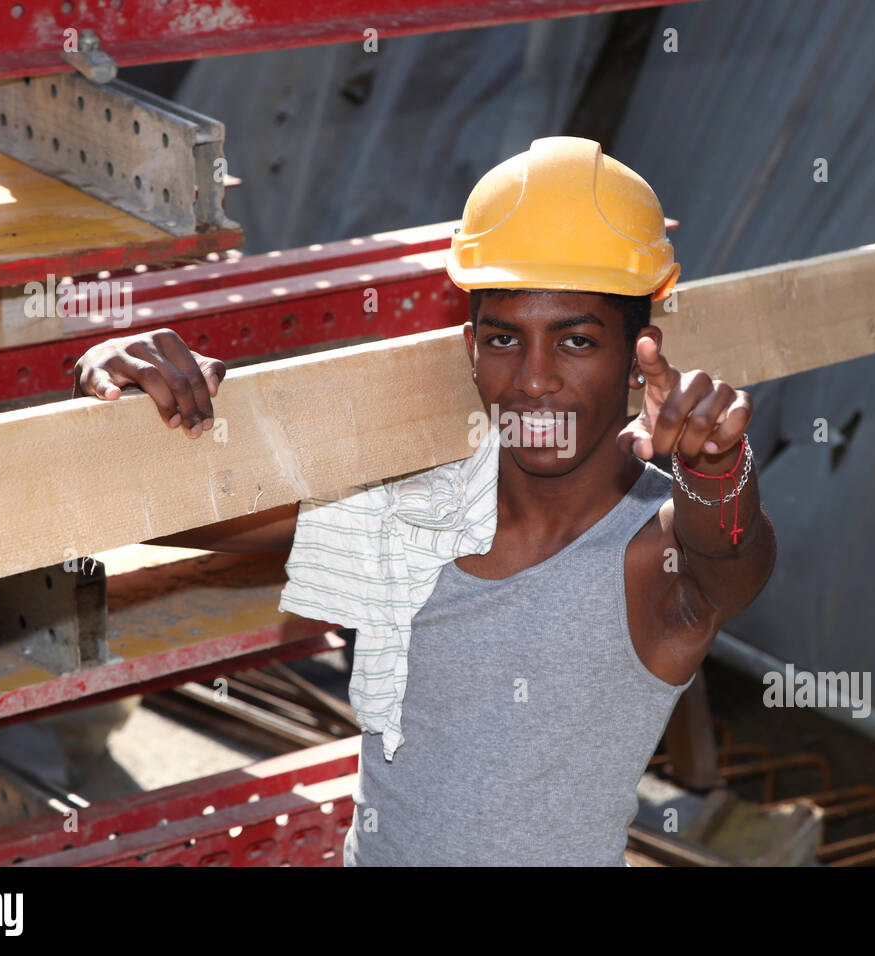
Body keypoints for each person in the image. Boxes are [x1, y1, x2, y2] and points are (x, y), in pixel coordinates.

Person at [70, 136, 776, 865]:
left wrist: (719, 469)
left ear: (638, 356)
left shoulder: (653, 553)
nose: (533, 379)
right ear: (470, 349)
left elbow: (733, 557)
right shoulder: (408, 504)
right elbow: (159, 506)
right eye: (506, 339)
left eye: (575, 342)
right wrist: (120, 390)